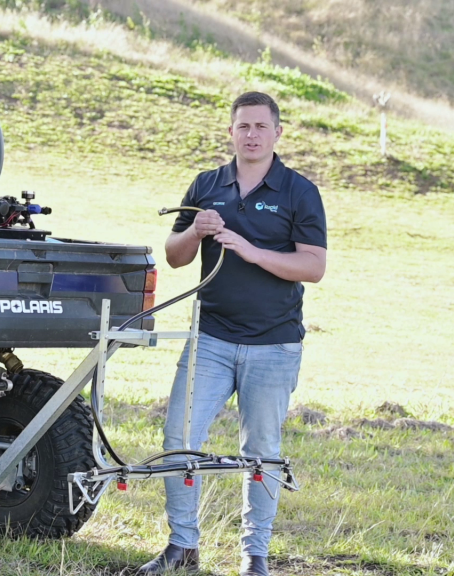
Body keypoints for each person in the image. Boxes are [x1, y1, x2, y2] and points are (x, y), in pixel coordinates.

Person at [137, 92, 327, 576]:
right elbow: (175, 256)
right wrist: (196, 232)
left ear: (277, 133)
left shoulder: (298, 191)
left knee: (261, 452)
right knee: (179, 436)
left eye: (261, 126)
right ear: (231, 132)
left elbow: (314, 266)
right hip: (211, 341)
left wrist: (251, 249)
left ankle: (254, 555)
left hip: (274, 344)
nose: (252, 134)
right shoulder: (207, 184)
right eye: (243, 126)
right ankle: (183, 547)